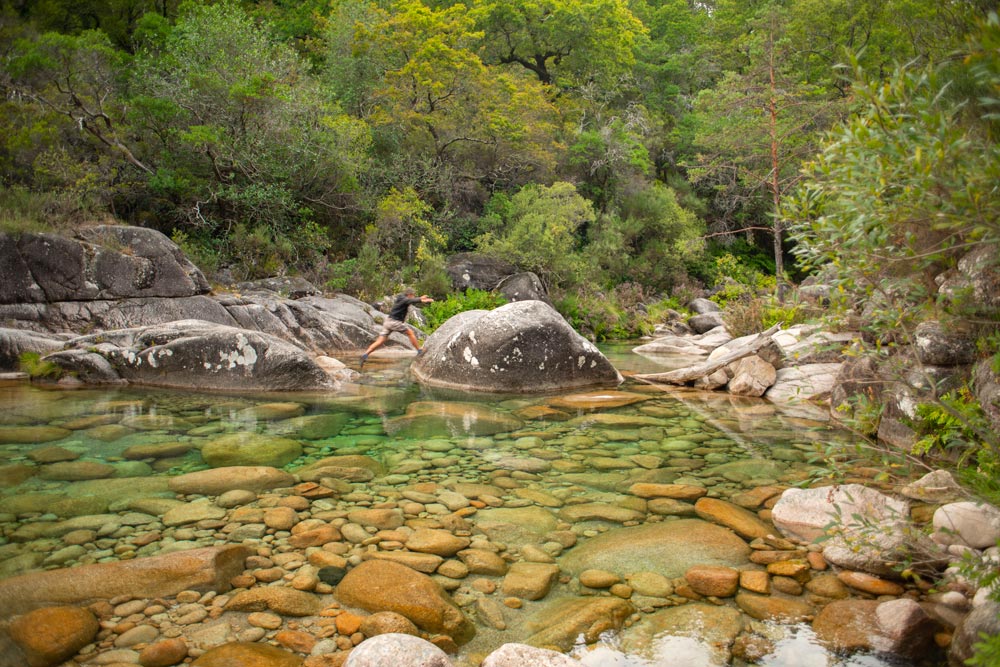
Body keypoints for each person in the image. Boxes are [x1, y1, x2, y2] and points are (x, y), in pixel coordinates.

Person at [360, 288, 434, 368]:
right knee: (410, 332)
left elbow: (410, 300)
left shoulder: (401, 297)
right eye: (413, 296)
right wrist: (421, 300)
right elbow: (410, 301)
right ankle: (419, 350)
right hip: (395, 322)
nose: (413, 297)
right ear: (409, 295)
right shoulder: (405, 299)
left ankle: (365, 354)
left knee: (380, 341)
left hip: (388, 322)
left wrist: (420, 298)